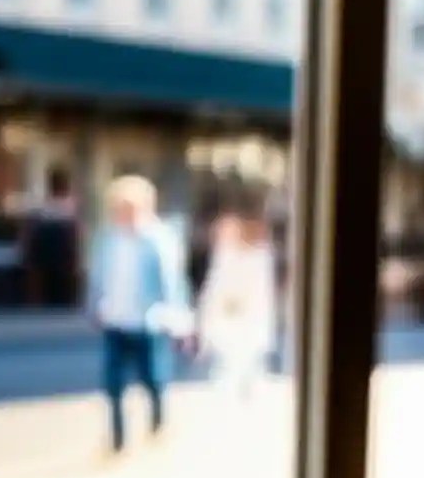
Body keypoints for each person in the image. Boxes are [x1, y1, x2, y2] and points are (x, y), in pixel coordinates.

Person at [86, 175, 190, 453]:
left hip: (148, 321)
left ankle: (158, 419)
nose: (124, 213)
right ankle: (118, 437)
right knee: (113, 383)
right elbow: (97, 277)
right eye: (120, 207)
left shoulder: (157, 238)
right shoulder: (107, 238)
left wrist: (179, 321)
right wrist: (94, 307)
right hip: (115, 320)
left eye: (130, 207)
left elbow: (172, 283)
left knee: (152, 378)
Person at [197, 212, 275, 400]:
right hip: (224, 318)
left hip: (246, 317)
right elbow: (213, 287)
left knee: (246, 360)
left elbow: (257, 289)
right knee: (226, 362)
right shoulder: (222, 255)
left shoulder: (257, 256)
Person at [27, 168, 79, 307]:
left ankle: (62, 301)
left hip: (62, 246)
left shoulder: (70, 203)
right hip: (49, 246)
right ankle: (45, 300)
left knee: (61, 278)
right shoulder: (44, 203)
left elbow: (74, 229)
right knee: (47, 277)